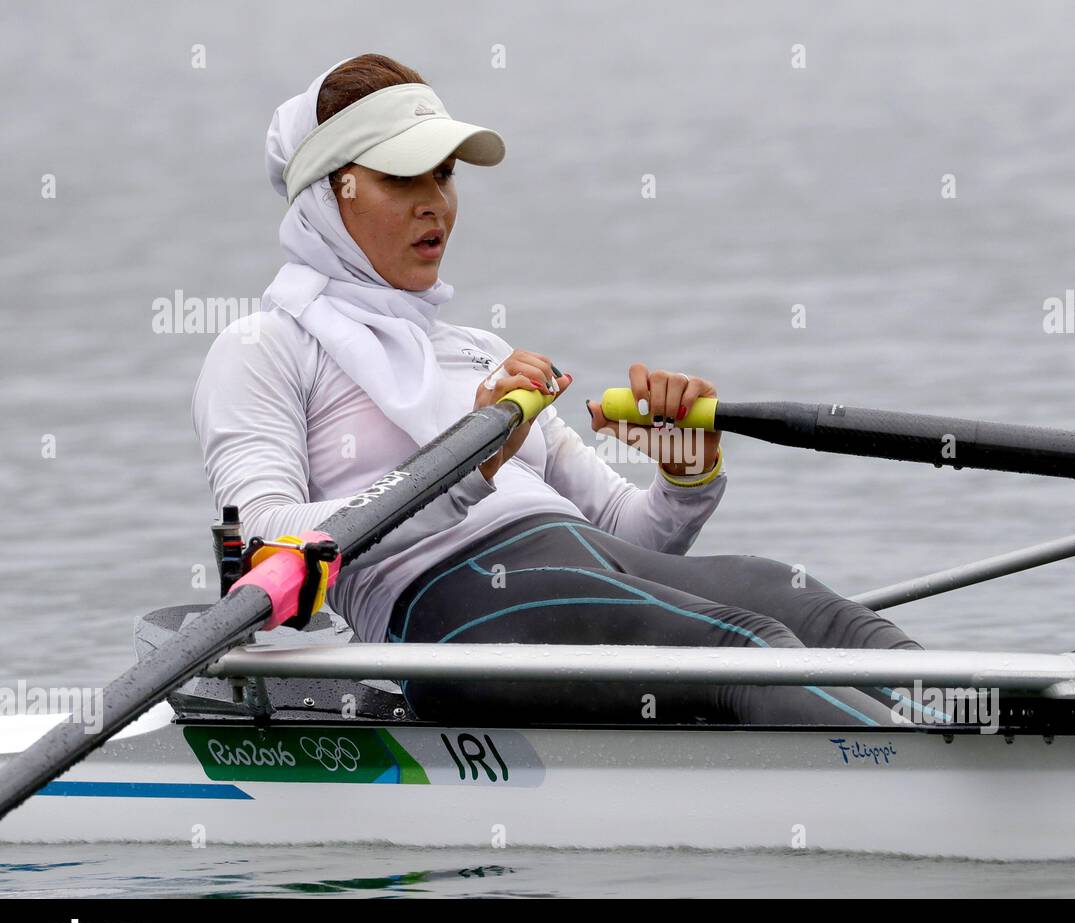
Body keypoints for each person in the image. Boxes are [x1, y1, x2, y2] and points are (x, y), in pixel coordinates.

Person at [193, 53, 920, 729]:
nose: (435, 204)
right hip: (451, 613)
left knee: (816, 614)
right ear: (328, 195)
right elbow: (262, 543)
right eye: (403, 178)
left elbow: (627, 533)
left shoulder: (483, 352)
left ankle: (985, 737)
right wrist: (467, 466)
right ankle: (916, 785)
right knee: (749, 647)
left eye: (444, 175)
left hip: (583, 570)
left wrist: (685, 476)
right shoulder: (264, 348)